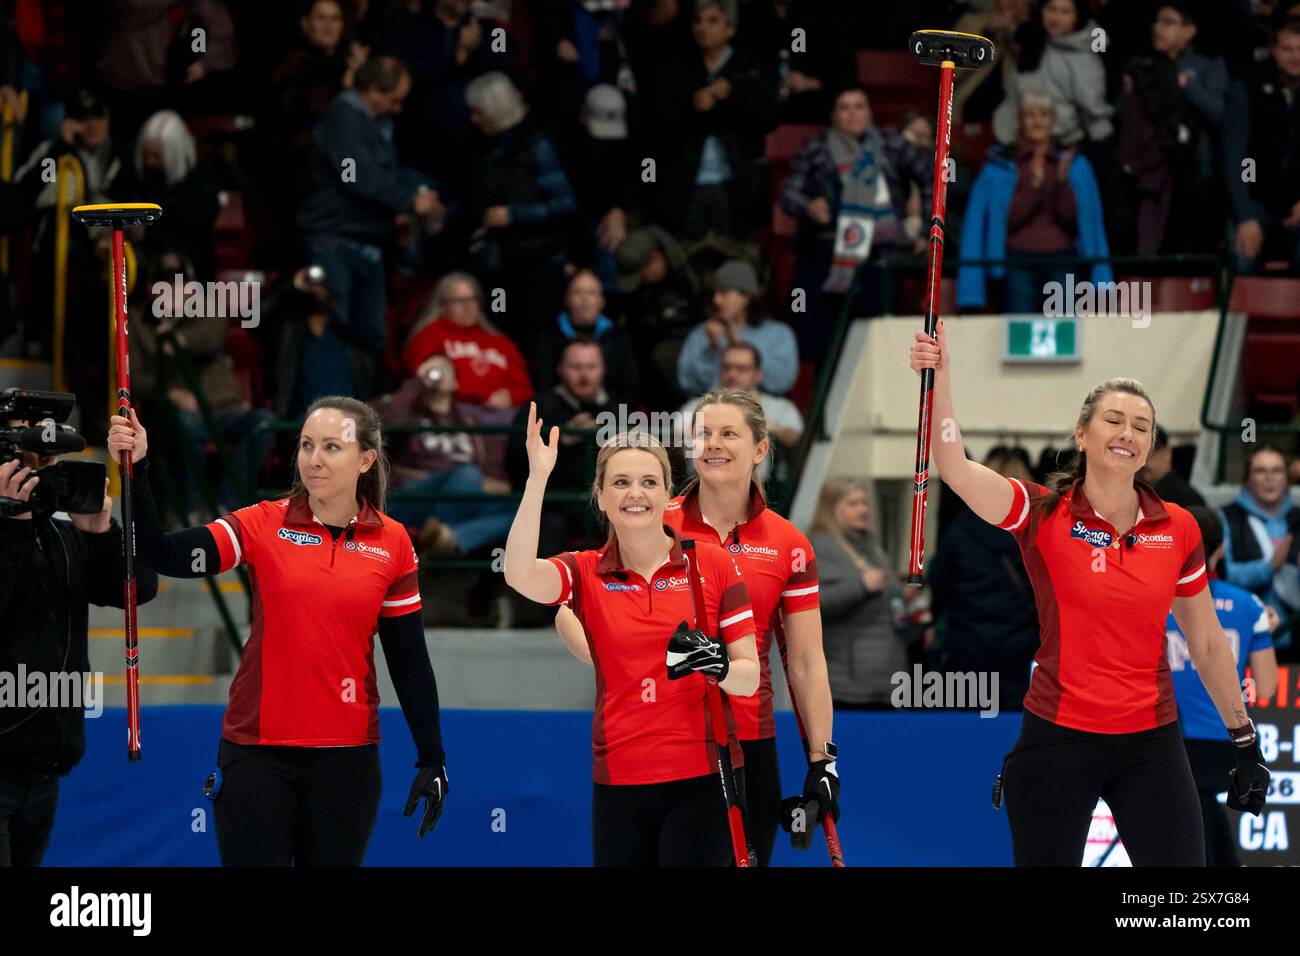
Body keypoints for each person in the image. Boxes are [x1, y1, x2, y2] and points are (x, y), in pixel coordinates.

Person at [910, 322, 1270, 866]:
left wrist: (1244, 738)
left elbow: (1207, 641)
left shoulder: (1178, 528)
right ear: (1082, 434)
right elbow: (955, 469)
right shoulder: (1043, 513)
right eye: (1114, 419)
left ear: (1150, 447)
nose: (1128, 432)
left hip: (1151, 741)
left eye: (1142, 426)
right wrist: (942, 379)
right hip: (1058, 736)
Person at [107, 397, 449, 866]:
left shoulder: (394, 542)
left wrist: (432, 756)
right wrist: (139, 469)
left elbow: (409, 658)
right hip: (256, 753)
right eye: (307, 445)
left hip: (347, 758)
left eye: (332, 446)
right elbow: (160, 553)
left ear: (365, 459)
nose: (314, 458)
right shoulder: (262, 523)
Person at [559, 388, 832, 865]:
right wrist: (611, 652)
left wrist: (822, 760)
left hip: (749, 738)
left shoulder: (789, 543)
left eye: (728, 433)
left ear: (761, 449)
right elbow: (574, 600)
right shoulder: (651, 513)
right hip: (662, 741)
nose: (712, 444)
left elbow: (806, 661)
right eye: (702, 434)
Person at [505, 412, 760, 866]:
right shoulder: (584, 570)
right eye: (620, 483)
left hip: (703, 778)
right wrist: (538, 477)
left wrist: (714, 662)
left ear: (667, 497)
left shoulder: (714, 565)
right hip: (619, 780)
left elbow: (748, 678)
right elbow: (519, 574)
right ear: (600, 497)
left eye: (648, 482)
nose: (635, 493)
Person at [0, 408, 159, 866]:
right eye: (27, 459)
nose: (41, 472)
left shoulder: (60, 534)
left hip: (44, 768)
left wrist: (101, 535)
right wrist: (11, 528)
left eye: (49, 462)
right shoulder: (15, 533)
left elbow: (139, 590)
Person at [298, 56, 445, 366]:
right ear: (375, 90)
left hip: (368, 245)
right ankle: (326, 409)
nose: (398, 108)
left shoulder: (373, 124)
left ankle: (361, 410)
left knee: (371, 336)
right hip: (335, 241)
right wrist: (408, 203)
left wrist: (398, 216)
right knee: (333, 330)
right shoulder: (342, 117)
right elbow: (358, 177)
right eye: (395, 100)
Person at [779, 85, 932, 358]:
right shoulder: (817, 148)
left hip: (879, 256)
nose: (852, 114)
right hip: (826, 256)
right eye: (844, 108)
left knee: (872, 340)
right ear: (834, 115)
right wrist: (809, 205)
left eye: (859, 106)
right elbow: (789, 193)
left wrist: (923, 230)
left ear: (870, 112)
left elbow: (932, 179)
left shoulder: (891, 144)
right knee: (819, 340)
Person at [1167, 505, 1279, 867]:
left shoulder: (1153, 601)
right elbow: (1267, 685)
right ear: (1219, 549)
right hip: (1229, 746)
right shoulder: (1251, 606)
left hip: (1164, 743)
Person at [958, 93, 1111, 314]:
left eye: (1043, 115)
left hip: (1063, 260)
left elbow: (1077, 221)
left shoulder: (1074, 165)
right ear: (1021, 121)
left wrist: (1059, 182)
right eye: (1030, 115)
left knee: (1064, 338)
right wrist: (1032, 185)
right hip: (1016, 263)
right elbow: (998, 222)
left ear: (1053, 120)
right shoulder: (1000, 166)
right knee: (1020, 339)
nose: (1037, 121)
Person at [461, 71, 576, 347]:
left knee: (535, 339)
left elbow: (565, 203)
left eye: (479, 112)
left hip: (538, 262)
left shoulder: (536, 144)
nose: (473, 119)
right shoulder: (479, 146)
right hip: (498, 264)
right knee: (500, 335)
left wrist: (513, 215)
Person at [649, 0, 775, 239]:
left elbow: (766, 119)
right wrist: (692, 106)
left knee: (731, 257)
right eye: (698, 21)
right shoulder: (678, 68)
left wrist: (731, 97)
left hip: (734, 184)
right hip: (688, 183)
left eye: (712, 21)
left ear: (730, 29)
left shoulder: (748, 67)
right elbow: (659, 125)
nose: (702, 28)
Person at [926, 450, 1039, 712]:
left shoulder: (961, 529)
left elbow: (940, 584)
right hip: (1021, 646)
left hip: (968, 643)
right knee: (1016, 727)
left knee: (966, 730)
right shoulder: (1036, 533)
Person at [373, 355, 515, 560]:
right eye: (430, 369)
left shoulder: (469, 422)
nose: (436, 374)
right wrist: (418, 383)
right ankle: (443, 556)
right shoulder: (406, 411)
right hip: (413, 494)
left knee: (522, 511)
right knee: (466, 474)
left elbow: (491, 472)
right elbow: (386, 422)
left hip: (465, 492)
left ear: (455, 383)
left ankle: (448, 539)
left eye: (443, 369)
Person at [1117, 2, 1228, 255]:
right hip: (1149, 174)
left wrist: (1185, 86)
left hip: (1195, 175)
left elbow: (1219, 112)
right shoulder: (1141, 65)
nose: (1159, 28)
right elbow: (1122, 118)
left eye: (1168, 22)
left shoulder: (1207, 66)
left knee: (1191, 253)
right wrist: (1127, 95)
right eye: (1157, 22)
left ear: (1189, 31)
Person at [808, 476, 906, 710]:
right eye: (853, 504)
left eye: (864, 502)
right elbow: (813, 603)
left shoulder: (871, 546)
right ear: (831, 509)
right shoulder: (820, 546)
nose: (863, 509)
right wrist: (860, 586)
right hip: (847, 684)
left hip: (885, 677)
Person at [1222, 16, 1300, 275]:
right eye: (1287, 49)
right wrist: (1246, 216)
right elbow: (1236, 157)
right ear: (1274, 50)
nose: (1295, 56)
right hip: (1256, 200)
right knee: (1242, 259)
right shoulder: (1247, 86)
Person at [400, 271, 533, 410]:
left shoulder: (500, 342)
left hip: (499, 415)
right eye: (459, 300)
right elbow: (418, 379)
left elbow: (525, 389)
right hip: (450, 413)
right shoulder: (429, 335)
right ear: (443, 305)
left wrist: (510, 395)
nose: (467, 306)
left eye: (472, 299)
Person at [677, 343, 802, 482]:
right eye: (727, 367)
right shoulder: (694, 406)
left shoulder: (780, 407)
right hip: (702, 486)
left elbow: (795, 438)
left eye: (742, 368)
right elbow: (678, 436)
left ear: (758, 374)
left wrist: (775, 429)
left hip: (762, 489)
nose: (732, 374)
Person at [122, 109, 221, 279]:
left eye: (156, 156)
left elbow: (199, 223)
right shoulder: (136, 174)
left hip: (190, 258)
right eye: (146, 154)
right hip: (144, 258)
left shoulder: (200, 178)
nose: (149, 161)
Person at [1220, 444, 1299, 653]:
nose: (1269, 478)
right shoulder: (1227, 517)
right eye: (1260, 471)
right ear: (1248, 479)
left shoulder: (1297, 518)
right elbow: (1223, 574)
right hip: (1244, 637)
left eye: (1276, 471)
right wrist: (1269, 567)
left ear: (1286, 479)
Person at [677, 260, 798, 397]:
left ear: (746, 296)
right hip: (714, 408)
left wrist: (739, 344)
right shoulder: (701, 333)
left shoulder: (779, 334)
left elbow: (781, 382)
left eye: (724, 293)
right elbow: (688, 385)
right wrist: (710, 351)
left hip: (761, 410)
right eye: (715, 293)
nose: (716, 300)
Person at [533, 268, 639, 406]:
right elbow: (543, 386)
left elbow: (630, 390)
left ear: (602, 301)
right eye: (577, 292)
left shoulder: (617, 338)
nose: (585, 299)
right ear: (567, 299)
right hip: (560, 417)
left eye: (592, 293)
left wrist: (601, 418)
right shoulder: (549, 338)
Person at [1138, 425, 1205, 508]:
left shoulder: (1186, 499)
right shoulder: (1134, 494)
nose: (1144, 462)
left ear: (1167, 453)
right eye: (1138, 453)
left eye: (1151, 453)